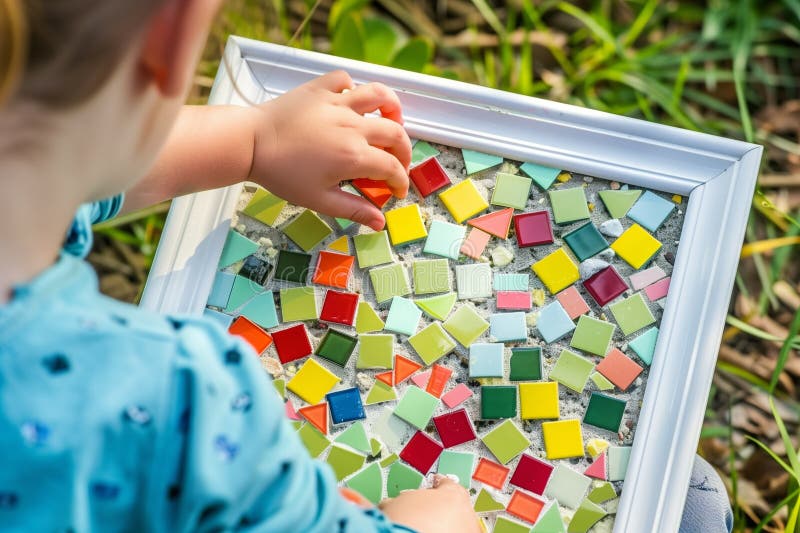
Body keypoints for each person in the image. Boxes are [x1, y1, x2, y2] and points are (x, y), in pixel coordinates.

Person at [0, 1, 733, 532]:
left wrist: (252, 141)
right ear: (174, 29)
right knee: (692, 503)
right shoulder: (177, 403)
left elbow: (60, 172)